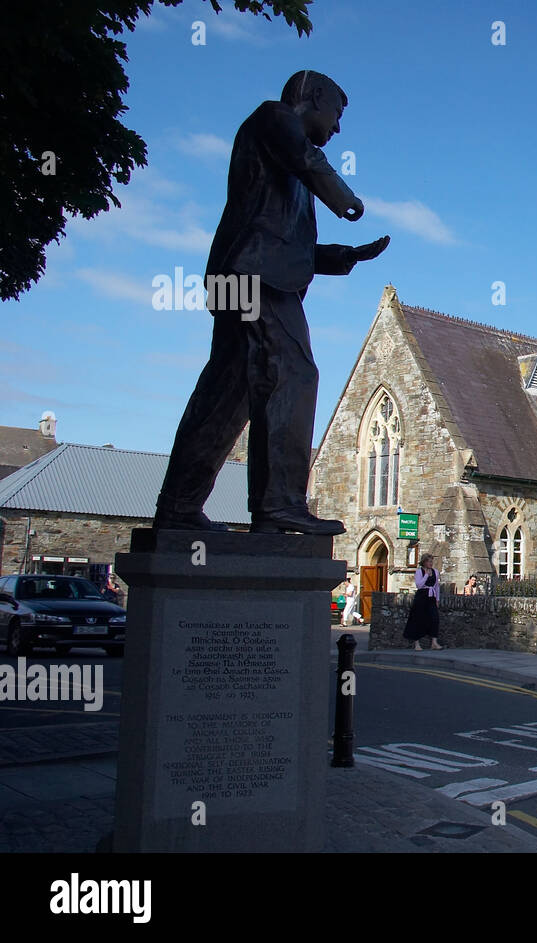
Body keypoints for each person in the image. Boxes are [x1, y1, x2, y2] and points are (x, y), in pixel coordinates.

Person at [153, 70, 391, 535]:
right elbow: (308, 160)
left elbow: (280, 240)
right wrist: (348, 201)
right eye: (336, 113)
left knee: (228, 394)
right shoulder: (275, 119)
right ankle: (279, 504)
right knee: (291, 372)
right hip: (251, 281)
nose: (338, 128)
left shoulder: (285, 166)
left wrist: (340, 256)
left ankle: (179, 506)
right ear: (314, 96)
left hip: (241, 277)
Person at [404, 554, 442, 650]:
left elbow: (436, 586)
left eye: (431, 561)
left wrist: (437, 599)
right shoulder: (419, 572)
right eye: (429, 561)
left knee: (435, 618)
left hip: (431, 597)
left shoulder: (435, 572)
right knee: (418, 619)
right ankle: (417, 644)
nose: (431, 563)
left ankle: (434, 642)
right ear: (424, 562)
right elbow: (419, 585)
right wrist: (426, 575)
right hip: (421, 596)